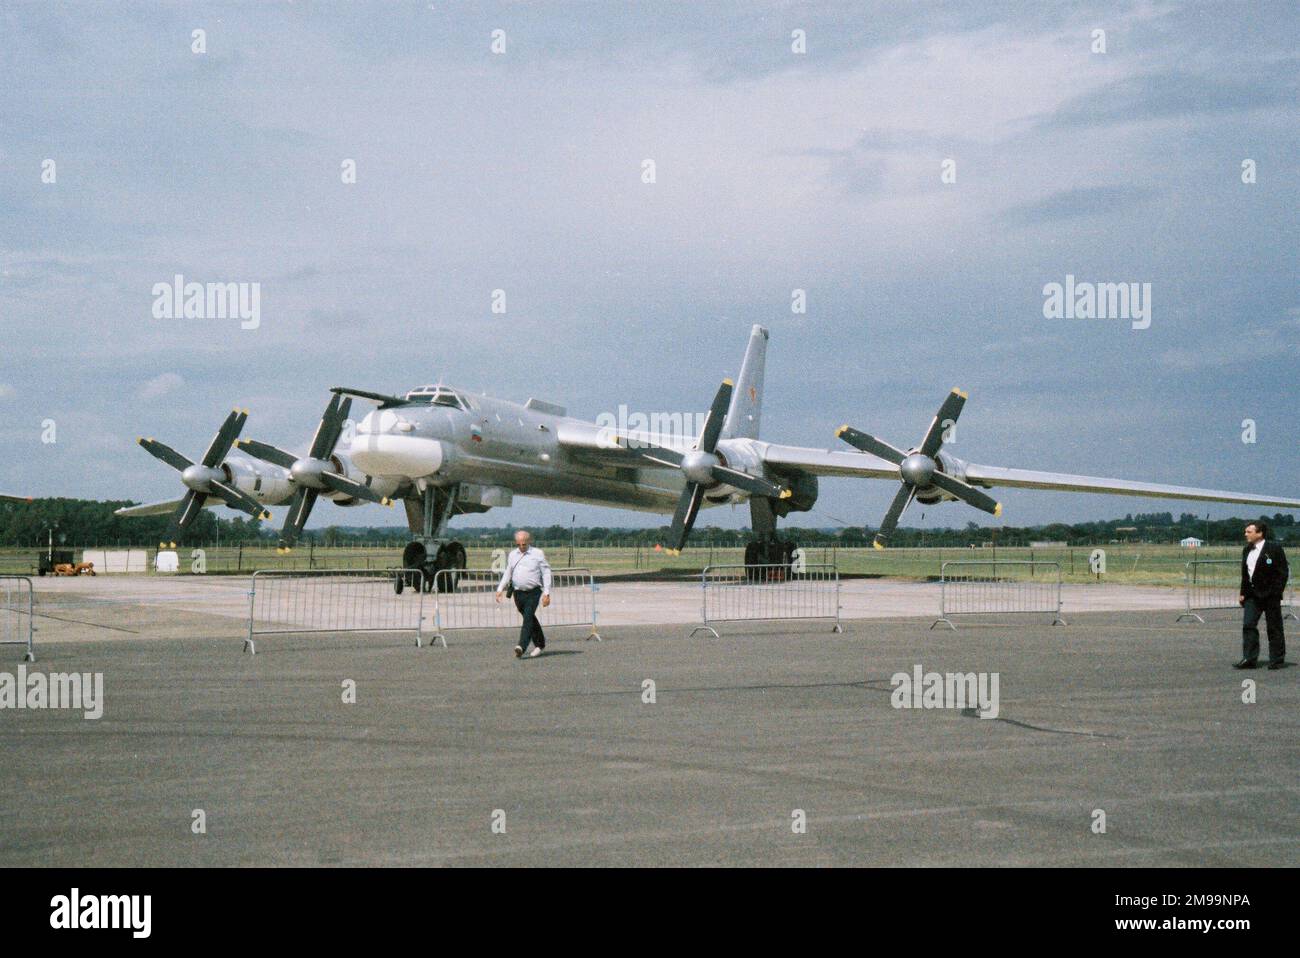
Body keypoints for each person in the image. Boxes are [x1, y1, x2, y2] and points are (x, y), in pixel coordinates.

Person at [1235, 520, 1289, 670]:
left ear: (1259, 533)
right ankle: (1249, 658)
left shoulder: (1274, 548)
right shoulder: (1246, 550)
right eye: (1245, 531)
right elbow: (1246, 574)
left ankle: (1277, 659)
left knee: (1274, 627)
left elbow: (1282, 572)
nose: (1246, 534)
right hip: (1252, 595)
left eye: (1249, 532)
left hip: (1270, 595)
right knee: (1248, 625)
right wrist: (1242, 593)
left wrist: (1277, 592)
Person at [495, 530, 552, 658]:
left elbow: (546, 573)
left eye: (524, 544)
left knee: (527, 618)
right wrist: (500, 589)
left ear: (529, 542)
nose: (522, 547)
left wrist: (547, 593)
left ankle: (521, 646)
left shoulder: (538, 554)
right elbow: (508, 572)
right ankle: (540, 643)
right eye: (519, 544)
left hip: (533, 592)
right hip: (518, 593)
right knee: (530, 618)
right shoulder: (512, 555)